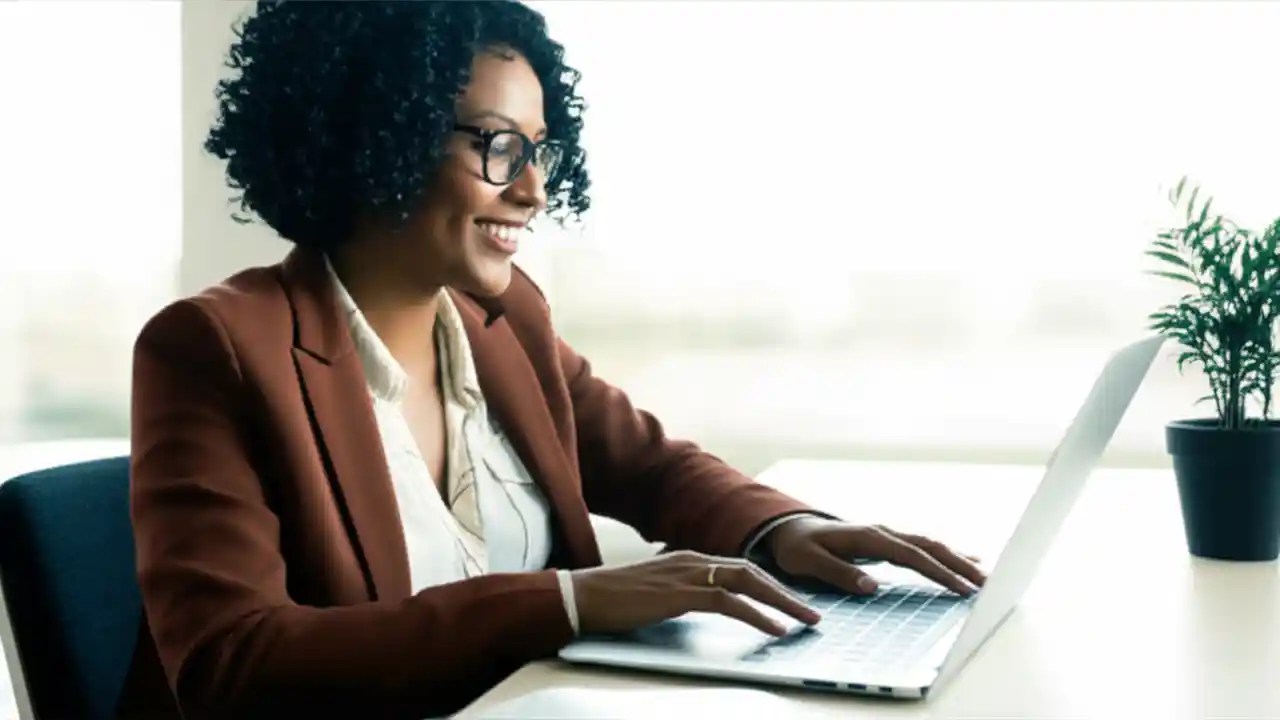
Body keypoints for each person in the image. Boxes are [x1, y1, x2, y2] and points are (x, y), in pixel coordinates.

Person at [123, 1, 987, 718]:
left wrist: (783, 530)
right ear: (375, 135)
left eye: (539, 150)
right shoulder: (218, 349)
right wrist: (570, 603)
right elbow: (231, 664)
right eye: (497, 146)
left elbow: (648, 465)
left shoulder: (503, 319)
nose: (533, 189)